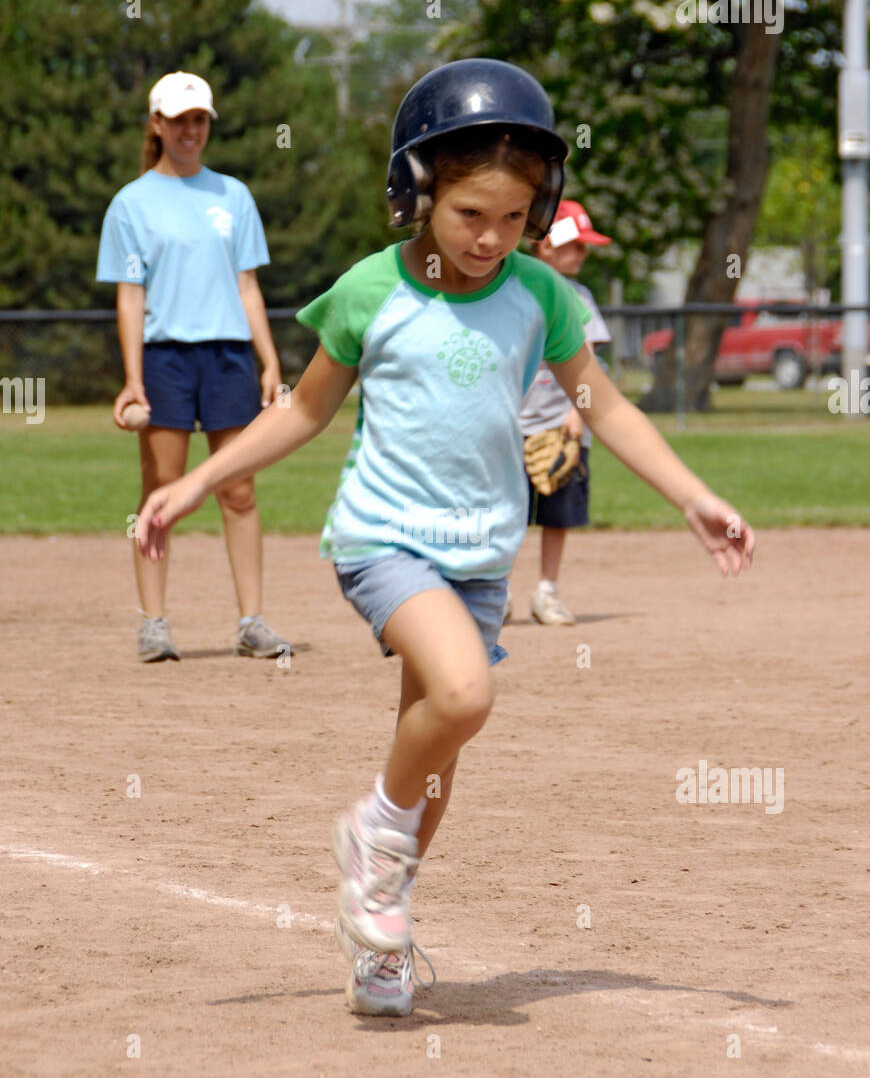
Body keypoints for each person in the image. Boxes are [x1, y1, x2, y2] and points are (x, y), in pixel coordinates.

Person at [135, 59, 754, 1018]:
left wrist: (694, 497)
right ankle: (368, 835)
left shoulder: (538, 298)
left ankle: (380, 932)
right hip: (382, 539)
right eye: (471, 214)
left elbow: (609, 407)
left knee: (434, 758)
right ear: (418, 191)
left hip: (480, 555)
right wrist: (196, 482)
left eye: (515, 219)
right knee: (465, 695)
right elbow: (300, 414)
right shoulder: (368, 292)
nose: (491, 238)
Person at [96, 70, 291, 663]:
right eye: (179, 120)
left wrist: (269, 359)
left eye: (199, 119)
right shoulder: (131, 203)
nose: (190, 130)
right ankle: (154, 624)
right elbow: (130, 296)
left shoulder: (232, 195)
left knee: (238, 489)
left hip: (229, 355)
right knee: (159, 490)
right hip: (166, 359)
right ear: (157, 124)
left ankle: (252, 622)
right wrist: (133, 378)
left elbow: (247, 285)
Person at [508, 199, 613, 625]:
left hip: (563, 423)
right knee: (505, 512)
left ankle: (547, 591)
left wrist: (578, 412)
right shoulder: (515, 292)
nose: (583, 254)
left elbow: (590, 362)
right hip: (512, 426)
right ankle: (496, 590)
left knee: (559, 513)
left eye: (586, 247)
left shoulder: (579, 296)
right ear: (544, 246)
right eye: (575, 245)